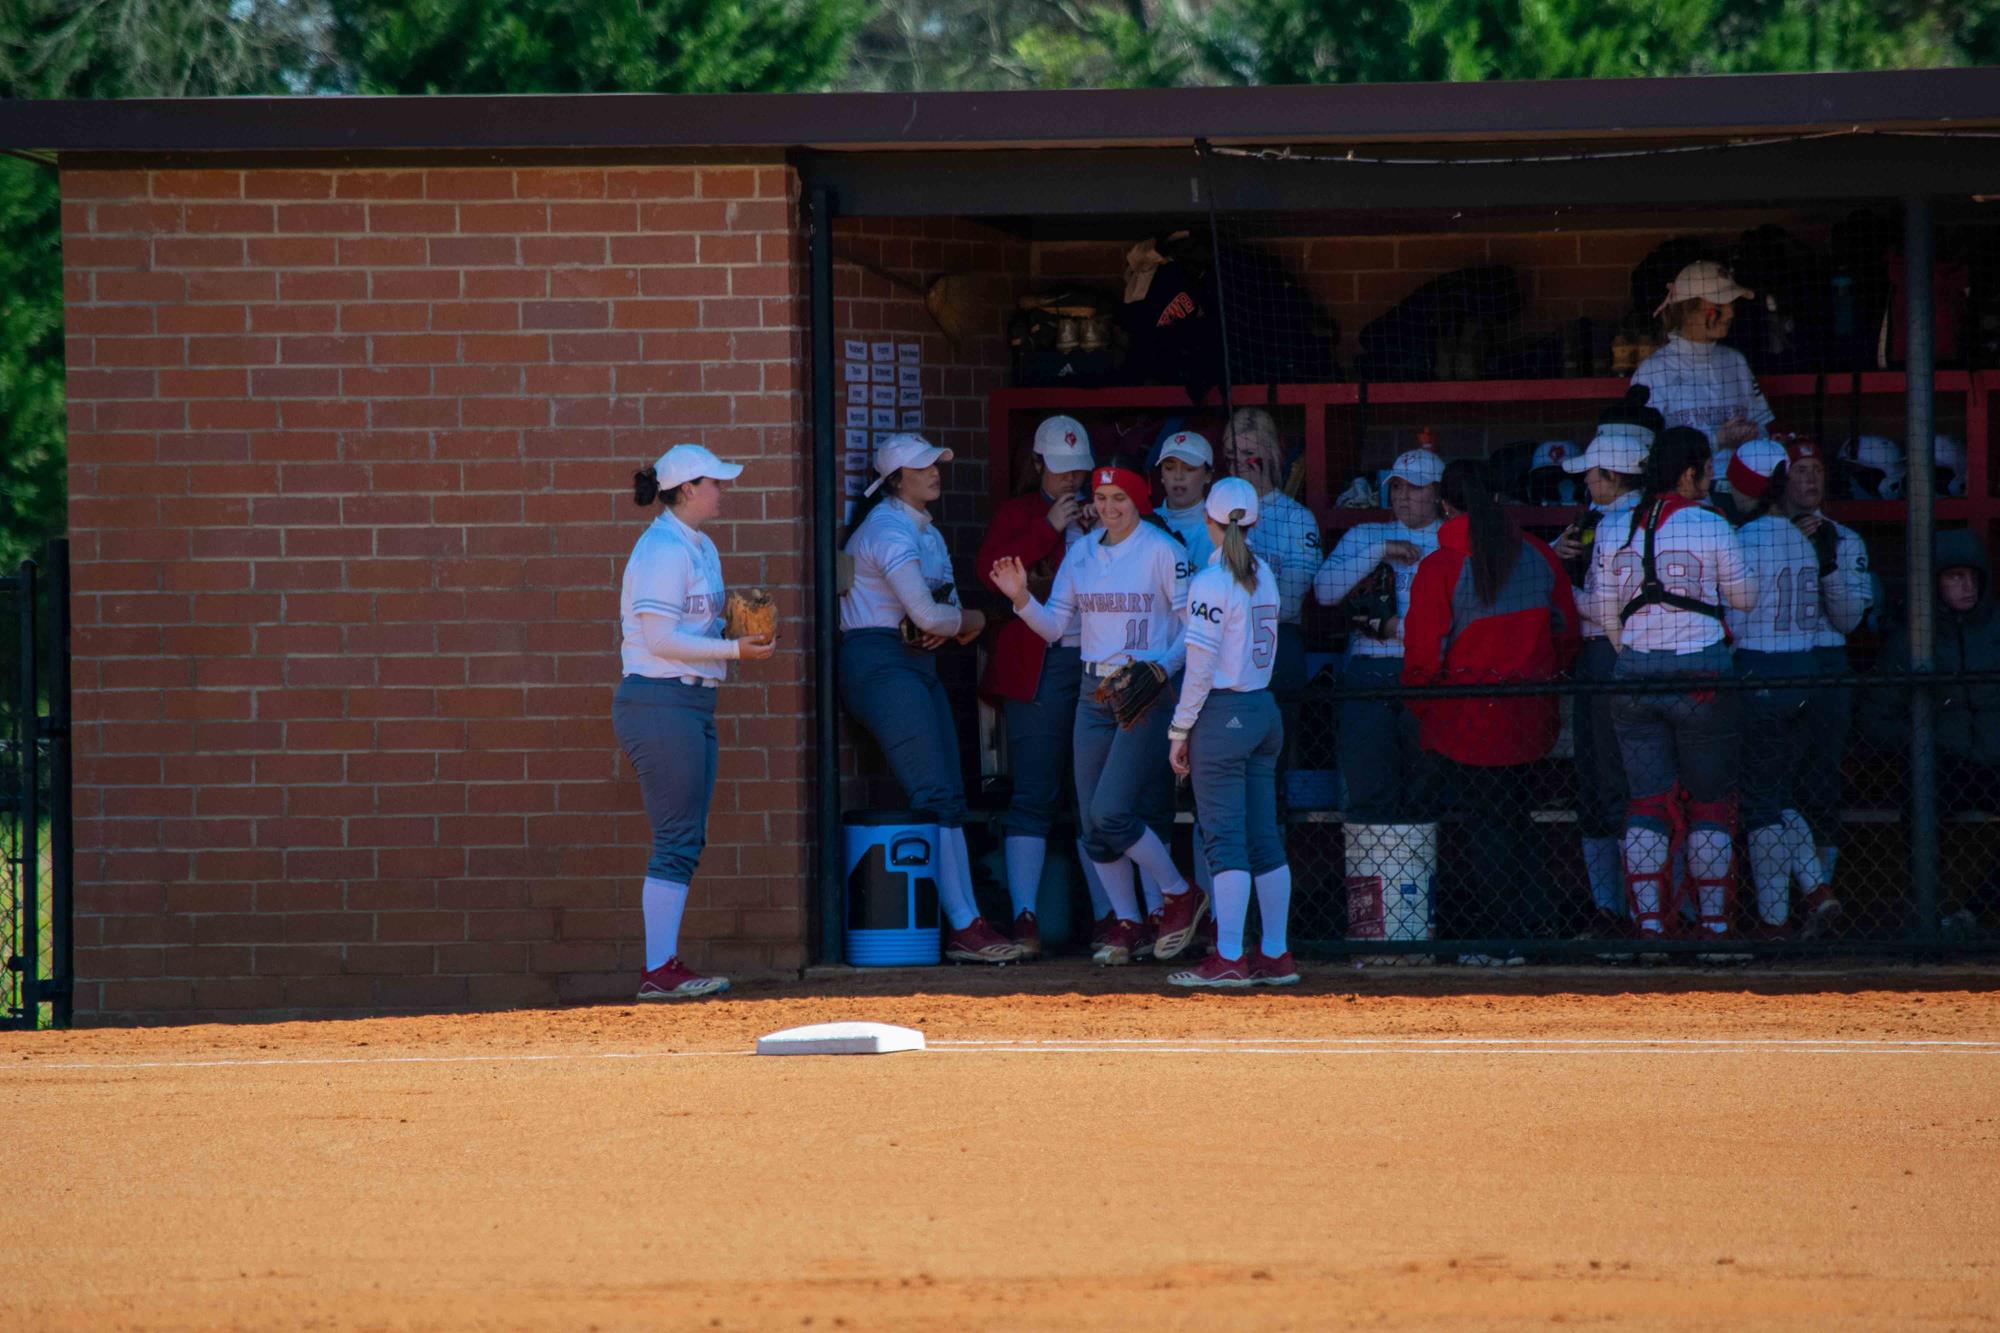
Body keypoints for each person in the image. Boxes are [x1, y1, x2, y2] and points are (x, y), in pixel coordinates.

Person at [990, 466, 1203, 967]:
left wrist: (1160, 670)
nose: (1109, 508)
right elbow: (1054, 628)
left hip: (1144, 687)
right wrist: (1021, 598)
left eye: (1120, 498)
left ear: (1139, 501)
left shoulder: (1161, 550)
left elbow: (1191, 628)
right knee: (1092, 823)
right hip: (1094, 689)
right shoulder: (1081, 552)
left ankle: (1179, 894)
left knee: (1113, 811)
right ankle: (1128, 922)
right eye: (1102, 498)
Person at [840, 434, 1021, 965]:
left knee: (949, 795)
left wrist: (955, 623)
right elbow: (933, 618)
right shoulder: (888, 528)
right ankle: (964, 925)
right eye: (921, 468)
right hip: (878, 659)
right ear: (895, 480)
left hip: (915, 661)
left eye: (936, 464)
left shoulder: (926, 531)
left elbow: (943, 616)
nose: (935, 472)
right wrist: (975, 621)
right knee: (935, 793)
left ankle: (968, 922)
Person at [615, 444, 778, 1000]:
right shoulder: (663, 547)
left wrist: (734, 632)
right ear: (687, 489)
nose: (722, 490)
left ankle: (663, 964)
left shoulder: (700, 545)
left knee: (687, 835)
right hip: (659, 700)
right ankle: (658, 968)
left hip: (689, 703)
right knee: (677, 837)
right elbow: (658, 639)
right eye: (715, 482)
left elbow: (690, 629)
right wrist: (735, 650)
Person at [1582, 427, 1755, 942]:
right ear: (1689, 472)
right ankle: (1715, 929)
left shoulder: (1614, 527)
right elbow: (1744, 600)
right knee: (1708, 802)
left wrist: (1636, 649)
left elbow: (1605, 616)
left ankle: (1651, 927)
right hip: (1701, 672)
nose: (1711, 477)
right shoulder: (1710, 522)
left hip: (1633, 671)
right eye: (1706, 468)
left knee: (1646, 801)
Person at [1403, 460, 1579, 961]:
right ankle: (1535, 930)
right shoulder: (1539, 555)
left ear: (1445, 504)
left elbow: (1421, 658)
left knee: (1489, 828)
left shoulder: (1439, 567)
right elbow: (1567, 635)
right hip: (1530, 716)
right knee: (1516, 820)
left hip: (1467, 722)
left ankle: (1502, 940)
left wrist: (1423, 710)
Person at [1162, 477, 1296, 988]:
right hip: (1263, 710)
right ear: (1255, 522)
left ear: (1208, 521)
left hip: (1224, 714)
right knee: (1264, 839)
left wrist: (1180, 729)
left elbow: (1199, 670)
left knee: (1225, 842)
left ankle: (1229, 957)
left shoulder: (1211, 580)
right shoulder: (1265, 574)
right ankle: (1276, 956)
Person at [975, 415, 1099, 958]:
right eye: (1062, 469)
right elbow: (990, 573)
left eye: (1079, 471)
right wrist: (1049, 525)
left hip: (1097, 661)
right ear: (1039, 465)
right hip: (1041, 663)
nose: (1072, 480)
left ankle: (1112, 917)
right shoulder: (1019, 512)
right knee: (1036, 791)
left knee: (1096, 796)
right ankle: (1024, 916)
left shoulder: (1106, 508)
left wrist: (1102, 525)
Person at [1721, 437, 1839, 938]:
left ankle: (1783, 913)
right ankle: (1812, 892)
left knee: (1761, 801)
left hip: (1759, 671)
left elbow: (1732, 616)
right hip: (1805, 670)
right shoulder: (1802, 537)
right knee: (1779, 794)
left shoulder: (1746, 539)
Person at [1552, 389, 1659, 936]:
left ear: (1615, 477)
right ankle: (1628, 910)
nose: (1586, 482)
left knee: (1614, 787)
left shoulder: (1625, 523)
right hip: (1626, 658)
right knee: (1610, 786)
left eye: (1593, 475)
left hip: (1615, 655)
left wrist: (1562, 585)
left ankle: (1629, 912)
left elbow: (1603, 608)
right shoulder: (1604, 519)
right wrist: (1561, 554)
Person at [1862, 531, 2000, 929]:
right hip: (1944, 763)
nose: (1966, 586)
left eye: (1972, 577)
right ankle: (1929, 914)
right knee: (1920, 801)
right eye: (1954, 577)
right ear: (1935, 584)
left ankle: (1971, 912)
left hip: (1994, 759)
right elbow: (1875, 720)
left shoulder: (1995, 629)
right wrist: (1926, 739)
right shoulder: (1912, 639)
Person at [1311, 447, 1446, 822]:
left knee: (1425, 789)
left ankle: (1418, 880)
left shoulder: (1452, 539)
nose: (1403, 496)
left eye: (1415, 488)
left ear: (1437, 491)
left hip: (1429, 672)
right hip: (1369, 668)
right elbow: (1325, 592)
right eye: (1397, 487)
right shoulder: (1367, 536)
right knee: (1368, 787)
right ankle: (1372, 879)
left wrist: (1399, 629)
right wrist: (1381, 550)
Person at [1777, 437, 1872, 909]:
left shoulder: (1843, 537)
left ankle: (1820, 898)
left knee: (1821, 784)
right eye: (1800, 470)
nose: (1811, 478)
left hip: (1827, 662)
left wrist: (1826, 559)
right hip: (1775, 665)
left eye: (1816, 469)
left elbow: (1851, 620)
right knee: (1775, 787)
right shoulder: (1762, 533)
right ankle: (1778, 904)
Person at [1222, 408, 1323, 739]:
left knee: (1274, 746)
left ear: (1271, 453)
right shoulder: (1213, 511)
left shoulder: (1297, 518)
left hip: (1276, 643)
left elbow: (1290, 603)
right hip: (1222, 645)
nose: (1239, 463)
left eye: (1249, 454)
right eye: (1231, 455)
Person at [1631, 260, 1774, 460]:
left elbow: (1762, 430)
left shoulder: (1735, 361)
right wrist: (1717, 440)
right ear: (1687, 310)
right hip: (1685, 489)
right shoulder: (1653, 371)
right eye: (1719, 305)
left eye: (1731, 304)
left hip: (1742, 487)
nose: (1730, 313)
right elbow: (1642, 451)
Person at [1154, 430, 1216, 576]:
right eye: (1169, 468)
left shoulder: (1222, 528)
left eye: (1189, 469)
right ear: (1161, 475)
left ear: (1208, 475)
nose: (1178, 476)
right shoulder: (1144, 523)